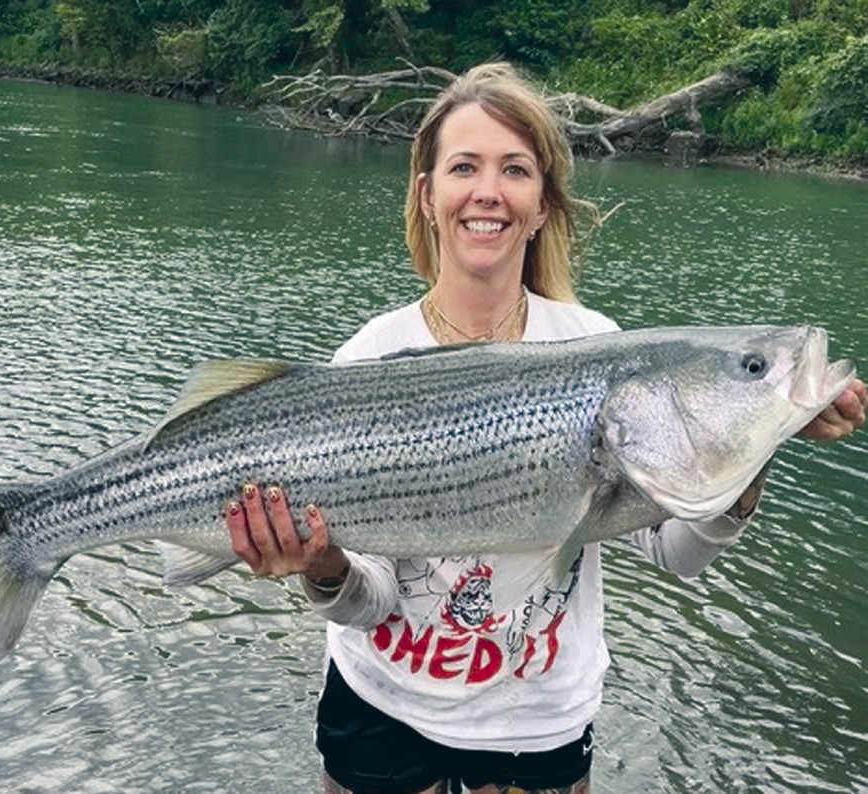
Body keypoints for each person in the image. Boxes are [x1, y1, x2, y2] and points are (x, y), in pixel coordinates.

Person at [223, 63, 867, 794]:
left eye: (516, 169)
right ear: (427, 195)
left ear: (541, 204)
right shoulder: (368, 357)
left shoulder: (595, 341)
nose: (488, 190)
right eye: (464, 166)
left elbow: (680, 554)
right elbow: (367, 605)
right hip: (379, 706)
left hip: (537, 726)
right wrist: (320, 566)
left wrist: (759, 444)